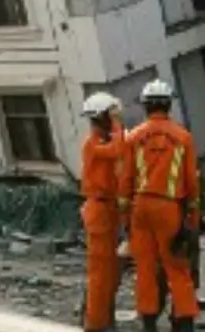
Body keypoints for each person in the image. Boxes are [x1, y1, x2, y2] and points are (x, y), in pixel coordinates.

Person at [118, 79, 201, 332]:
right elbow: (191, 183)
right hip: (169, 208)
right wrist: (192, 222)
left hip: (140, 207)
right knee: (177, 268)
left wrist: (126, 223)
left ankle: (149, 323)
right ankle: (184, 322)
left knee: (145, 268)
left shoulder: (133, 137)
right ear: (168, 105)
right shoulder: (183, 138)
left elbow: (125, 182)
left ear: (145, 106)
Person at [80, 92, 126, 332]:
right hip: (99, 210)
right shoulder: (94, 143)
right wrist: (117, 123)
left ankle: (102, 317)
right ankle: (96, 324)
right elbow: (118, 149)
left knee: (112, 273)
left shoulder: (103, 140)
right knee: (101, 273)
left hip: (109, 209)